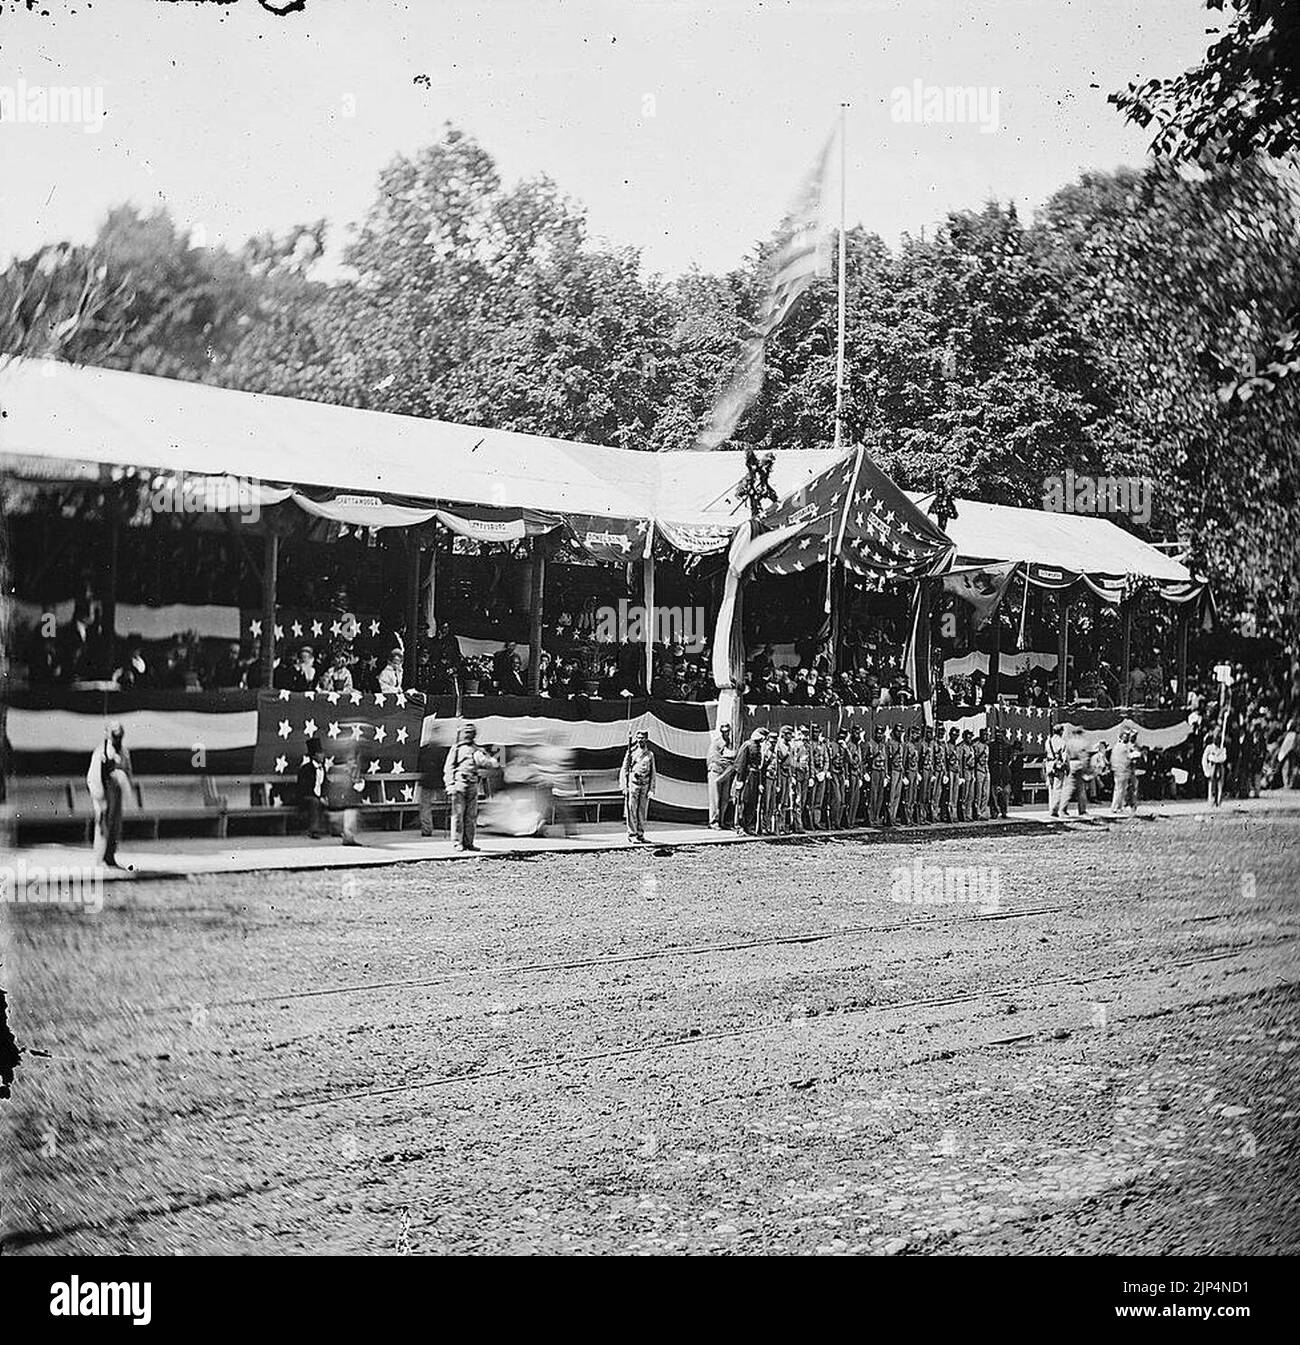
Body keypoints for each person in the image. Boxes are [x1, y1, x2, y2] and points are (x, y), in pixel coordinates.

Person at [443, 722, 499, 851]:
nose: (469, 735)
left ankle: (469, 842)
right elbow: (449, 768)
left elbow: (488, 763)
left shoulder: (477, 749)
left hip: (473, 784)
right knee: (458, 815)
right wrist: (449, 784)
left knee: (471, 815)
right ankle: (458, 842)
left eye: (471, 733)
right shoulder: (456, 749)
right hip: (459, 784)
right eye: (467, 732)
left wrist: (494, 761)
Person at [87, 721, 132, 867]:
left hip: (116, 795)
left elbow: (128, 771)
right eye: (115, 736)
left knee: (115, 826)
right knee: (103, 825)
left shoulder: (124, 751)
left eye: (120, 736)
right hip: (104, 794)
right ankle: (100, 858)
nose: (118, 740)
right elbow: (94, 776)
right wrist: (100, 798)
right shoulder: (101, 752)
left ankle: (110, 855)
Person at [619, 728, 657, 842]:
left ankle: (640, 834)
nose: (640, 740)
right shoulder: (631, 753)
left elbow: (653, 773)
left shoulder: (650, 755)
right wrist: (624, 786)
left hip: (644, 785)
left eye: (643, 738)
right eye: (639, 738)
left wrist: (652, 788)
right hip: (633, 785)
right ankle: (632, 834)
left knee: (642, 811)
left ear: (646, 739)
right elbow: (624, 770)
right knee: (632, 810)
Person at [732, 727, 766, 834]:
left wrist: (760, 782)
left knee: (752, 802)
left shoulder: (759, 747)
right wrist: (740, 780)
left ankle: (748, 825)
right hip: (747, 776)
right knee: (743, 801)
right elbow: (740, 763)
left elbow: (759, 767)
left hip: (755, 777)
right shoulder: (747, 745)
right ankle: (739, 826)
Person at [296, 736, 328, 838]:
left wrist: (325, 796)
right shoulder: (306, 769)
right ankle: (313, 830)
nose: (322, 755)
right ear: (314, 755)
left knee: (334, 799)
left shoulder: (323, 768)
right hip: (306, 798)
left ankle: (337, 829)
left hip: (319, 796)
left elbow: (324, 784)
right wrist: (319, 798)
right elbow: (305, 788)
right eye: (320, 753)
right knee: (314, 802)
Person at [706, 722, 736, 829]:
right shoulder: (716, 743)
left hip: (726, 773)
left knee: (725, 798)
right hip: (716, 771)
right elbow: (711, 758)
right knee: (715, 798)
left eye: (727, 731)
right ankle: (714, 821)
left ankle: (722, 821)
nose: (725, 733)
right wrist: (724, 762)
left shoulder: (731, 743)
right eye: (723, 731)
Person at [1110, 729, 1140, 817]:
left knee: (1120, 790)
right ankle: (1116, 807)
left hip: (1119, 770)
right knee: (1120, 790)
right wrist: (1137, 754)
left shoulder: (1117, 746)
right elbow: (1129, 756)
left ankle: (1117, 806)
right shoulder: (1122, 747)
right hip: (1122, 770)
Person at [789, 727, 811, 832]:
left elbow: (809, 761)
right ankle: (797, 825)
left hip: (805, 776)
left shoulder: (808, 745)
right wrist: (793, 775)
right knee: (797, 800)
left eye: (806, 733)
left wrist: (810, 775)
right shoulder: (795, 746)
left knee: (802, 800)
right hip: (797, 775)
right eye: (802, 733)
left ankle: (799, 822)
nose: (804, 736)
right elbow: (791, 762)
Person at [1045, 723, 1069, 817]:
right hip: (1058, 766)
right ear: (1061, 732)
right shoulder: (1062, 742)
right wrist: (1067, 767)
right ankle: (1054, 810)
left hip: (1049, 764)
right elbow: (1065, 757)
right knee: (1058, 788)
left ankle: (1051, 807)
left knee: (1050, 788)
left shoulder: (1048, 741)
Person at [866, 724, 887, 826]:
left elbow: (885, 760)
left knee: (880, 796)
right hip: (874, 771)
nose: (880, 735)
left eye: (881, 733)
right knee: (873, 796)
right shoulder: (870, 744)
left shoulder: (883, 746)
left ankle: (876, 817)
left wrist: (886, 774)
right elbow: (866, 760)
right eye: (878, 733)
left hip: (881, 771)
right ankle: (871, 818)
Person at [809, 727, 831, 829]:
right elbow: (811, 761)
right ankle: (810, 822)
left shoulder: (823, 745)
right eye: (814, 732)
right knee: (811, 801)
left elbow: (827, 760)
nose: (816, 734)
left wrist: (824, 772)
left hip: (822, 775)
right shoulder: (810, 745)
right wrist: (814, 774)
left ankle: (817, 822)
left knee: (819, 800)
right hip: (814, 776)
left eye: (818, 732)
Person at [885, 724, 905, 826]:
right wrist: (887, 773)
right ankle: (889, 818)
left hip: (899, 771)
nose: (899, 733)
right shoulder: (890, 743)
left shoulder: (901, 744)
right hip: (893, 771)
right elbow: (888, 759)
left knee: (897, 795)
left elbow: (903, 760)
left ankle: (893, 816)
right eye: (898, 731)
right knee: (891, 796)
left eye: (901, 732)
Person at [989, 728, 1011, 819]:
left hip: (1004, 770)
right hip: (995, 769)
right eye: (997, 734)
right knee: (994, 792)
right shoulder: (992, 746)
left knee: (1005, 792)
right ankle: (994, 811)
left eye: (1000, 734)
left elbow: (1009, 758)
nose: (999, 736)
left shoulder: (1007, 746)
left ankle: (1004, 810)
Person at [957, 730, 976, 821]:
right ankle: (963, 815)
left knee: (971, 795)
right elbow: (960, 762)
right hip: (965, 771)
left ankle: (969, 814)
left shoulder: (971, 747)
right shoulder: (961, 747)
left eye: (971, 737)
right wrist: (960, 776)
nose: (970, 739)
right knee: (964, 794)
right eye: (968, 737)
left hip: (971, 772)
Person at [973, 727, 991, 820]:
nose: (986, 736)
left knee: (986, 793)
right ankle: (978, 812)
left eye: (986, 735)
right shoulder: (976, 745)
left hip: (986, 770)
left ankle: (983, 811)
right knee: (978, 793)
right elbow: (974, 759)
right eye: (984, 735)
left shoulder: (987, 746)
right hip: (979, 770)